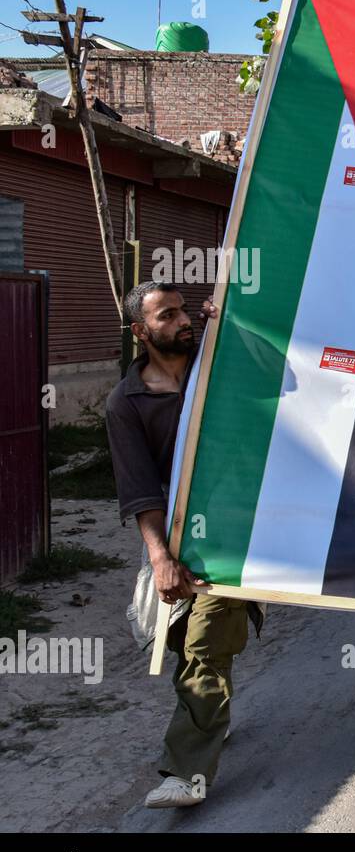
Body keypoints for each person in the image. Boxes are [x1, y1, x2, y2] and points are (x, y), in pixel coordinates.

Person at [106, 281, 261, 809]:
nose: (182, 320)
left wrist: (235, 327)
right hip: (177, 541)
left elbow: (280, 378)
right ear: (140, 331)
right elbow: (140, 489)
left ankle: (187, 772)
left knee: (203, 646)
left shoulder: (216, 363)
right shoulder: (125, 404)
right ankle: (210, 719)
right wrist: (160, 558)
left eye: (182, 311)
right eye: (166, 316)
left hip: (236, 533)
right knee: (180, 643)